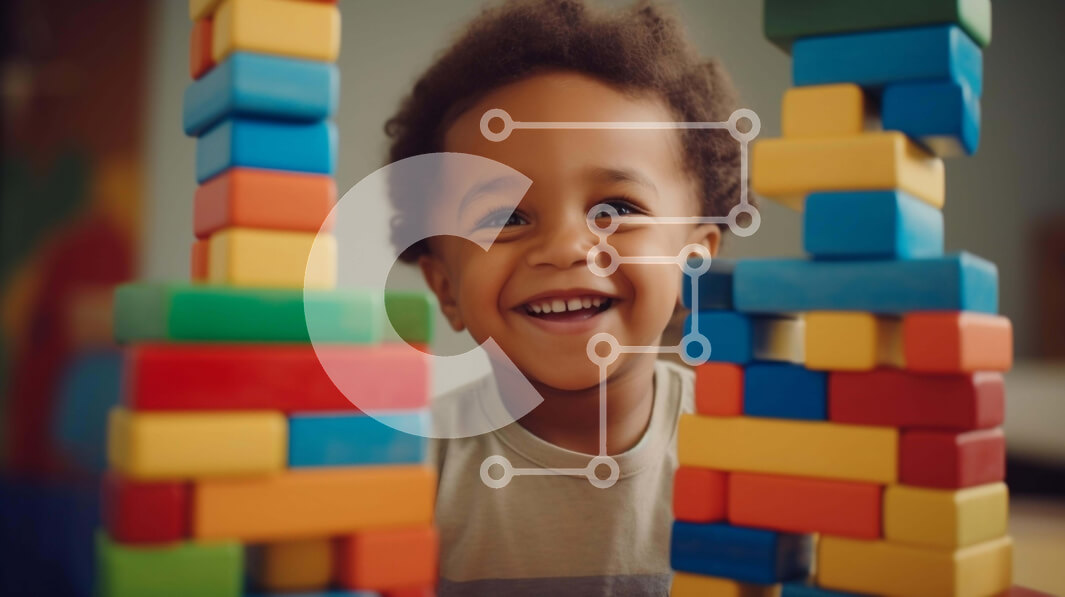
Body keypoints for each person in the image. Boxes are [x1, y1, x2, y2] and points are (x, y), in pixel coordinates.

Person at [384, 1, 743, 594]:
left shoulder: (751, 449)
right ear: (445, 286)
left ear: (693, 259)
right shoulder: (407, 471)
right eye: (505, 218)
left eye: (617, 210)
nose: (567, 247)